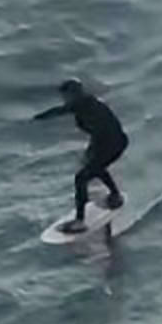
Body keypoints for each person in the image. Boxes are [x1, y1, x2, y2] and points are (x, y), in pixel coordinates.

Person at [34, 77, 129, 227]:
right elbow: (59, 111)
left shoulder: (91, 106)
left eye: (66, 96)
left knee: (81, 177)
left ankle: (80, 220)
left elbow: (104, 131)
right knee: (95, 166)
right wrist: (38, 118)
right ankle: (115, 194)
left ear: (74, 94)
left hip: (113, 144)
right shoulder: (81, 103)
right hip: (109, 143)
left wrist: (92, 151)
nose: (64, 99)